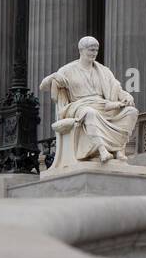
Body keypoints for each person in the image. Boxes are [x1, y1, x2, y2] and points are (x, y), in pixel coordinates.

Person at [40, 37, 138, 165]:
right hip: (80, 106)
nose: (94, 53)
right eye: (91, 50)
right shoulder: (68, 70)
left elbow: (116, 87)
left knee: (131, 112)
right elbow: (43, 86)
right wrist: (53, 76)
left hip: (104, 107)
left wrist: (126, 96)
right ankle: (102, 150)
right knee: (90, 112)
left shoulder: (103, 71)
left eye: (96, 50)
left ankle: (118, 148)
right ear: (81, 50)